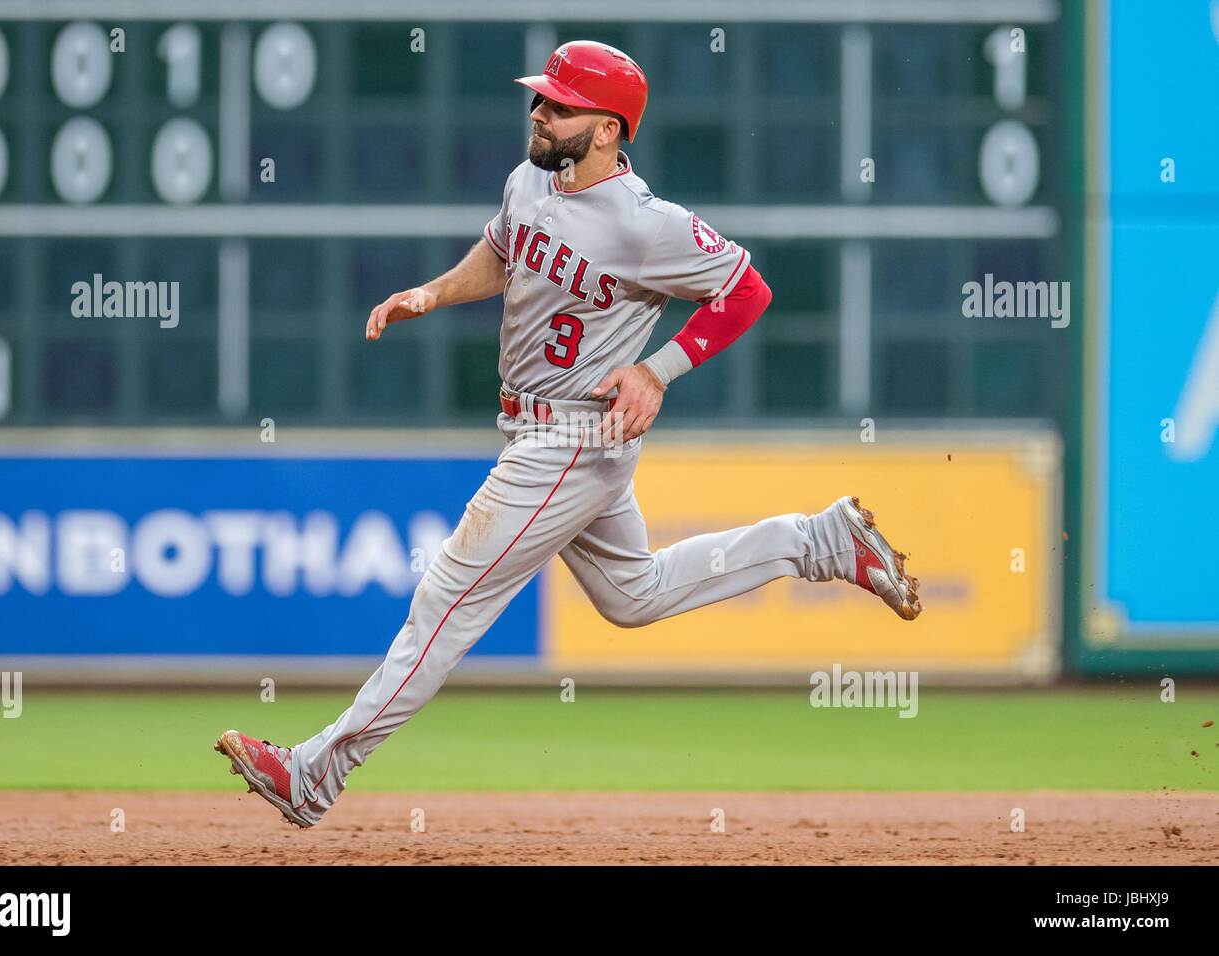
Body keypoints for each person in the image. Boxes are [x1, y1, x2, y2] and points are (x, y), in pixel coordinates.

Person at [215, 41, 922, 828]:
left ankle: (315, 773)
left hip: (574, 439)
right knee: (633, 595)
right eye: (540, 97)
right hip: (536, 429)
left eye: (559, 103)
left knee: (446, 598)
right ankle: (817, 541)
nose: (540, 111)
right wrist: (430, 294)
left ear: (611, 129)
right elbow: (501, 251)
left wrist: (659, 370)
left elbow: (745, 289)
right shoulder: (531, 180)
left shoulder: (643, 223)